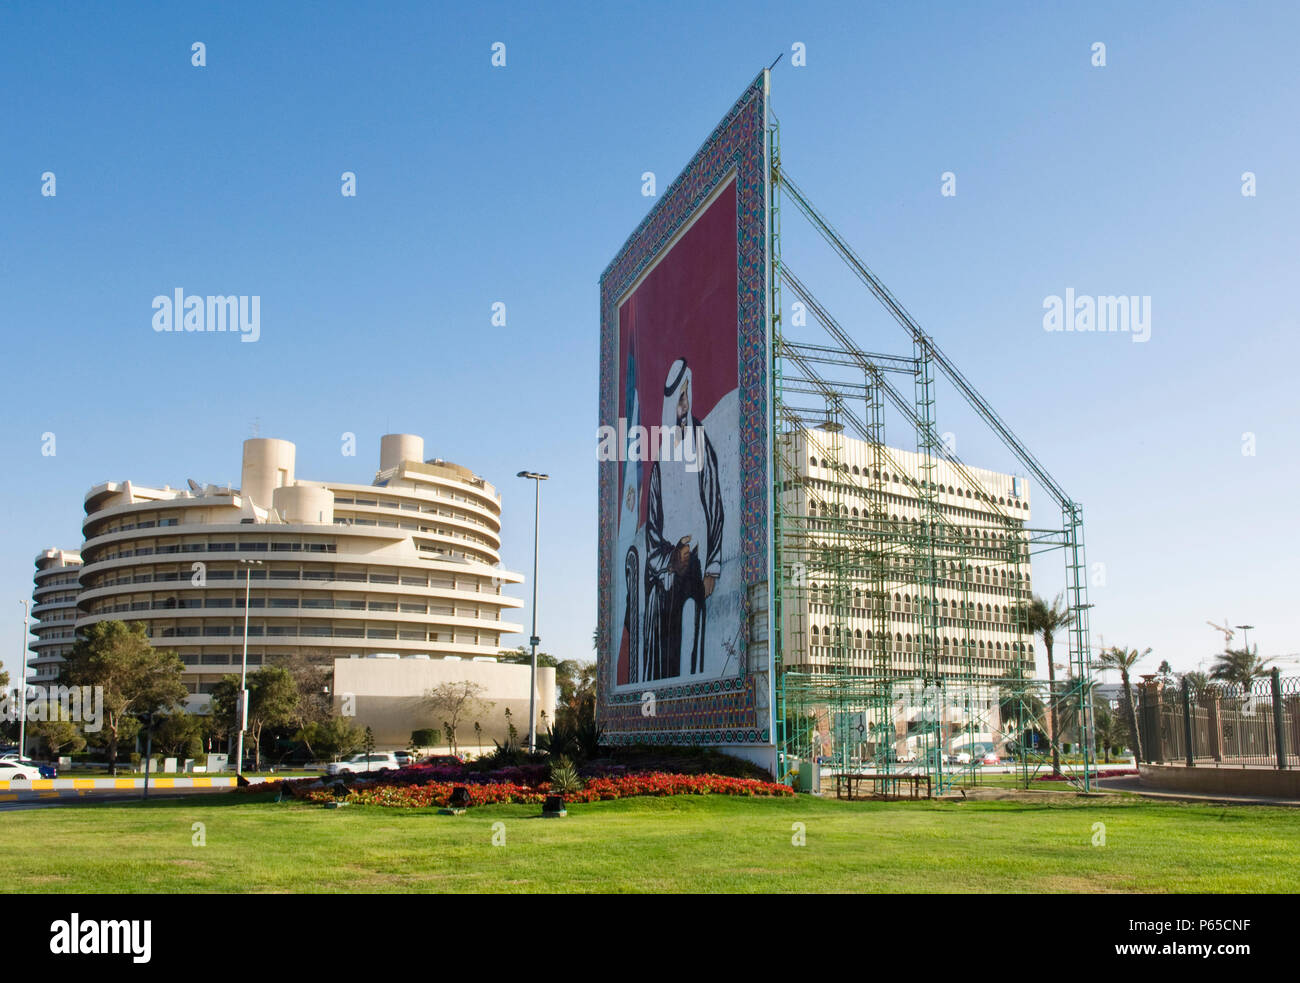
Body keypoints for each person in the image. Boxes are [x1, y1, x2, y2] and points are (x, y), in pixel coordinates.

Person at [642, 358, 724, 680]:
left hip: (698, 567)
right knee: (669, 654)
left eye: (687, 396)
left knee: (696, 651)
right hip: (668, 575)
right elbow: (652, 532)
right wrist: (671, 558)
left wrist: (712, 570)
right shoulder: (660, 463)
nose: (685, 404)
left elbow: (715, 508)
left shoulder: (701, 445)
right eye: (679, 398)